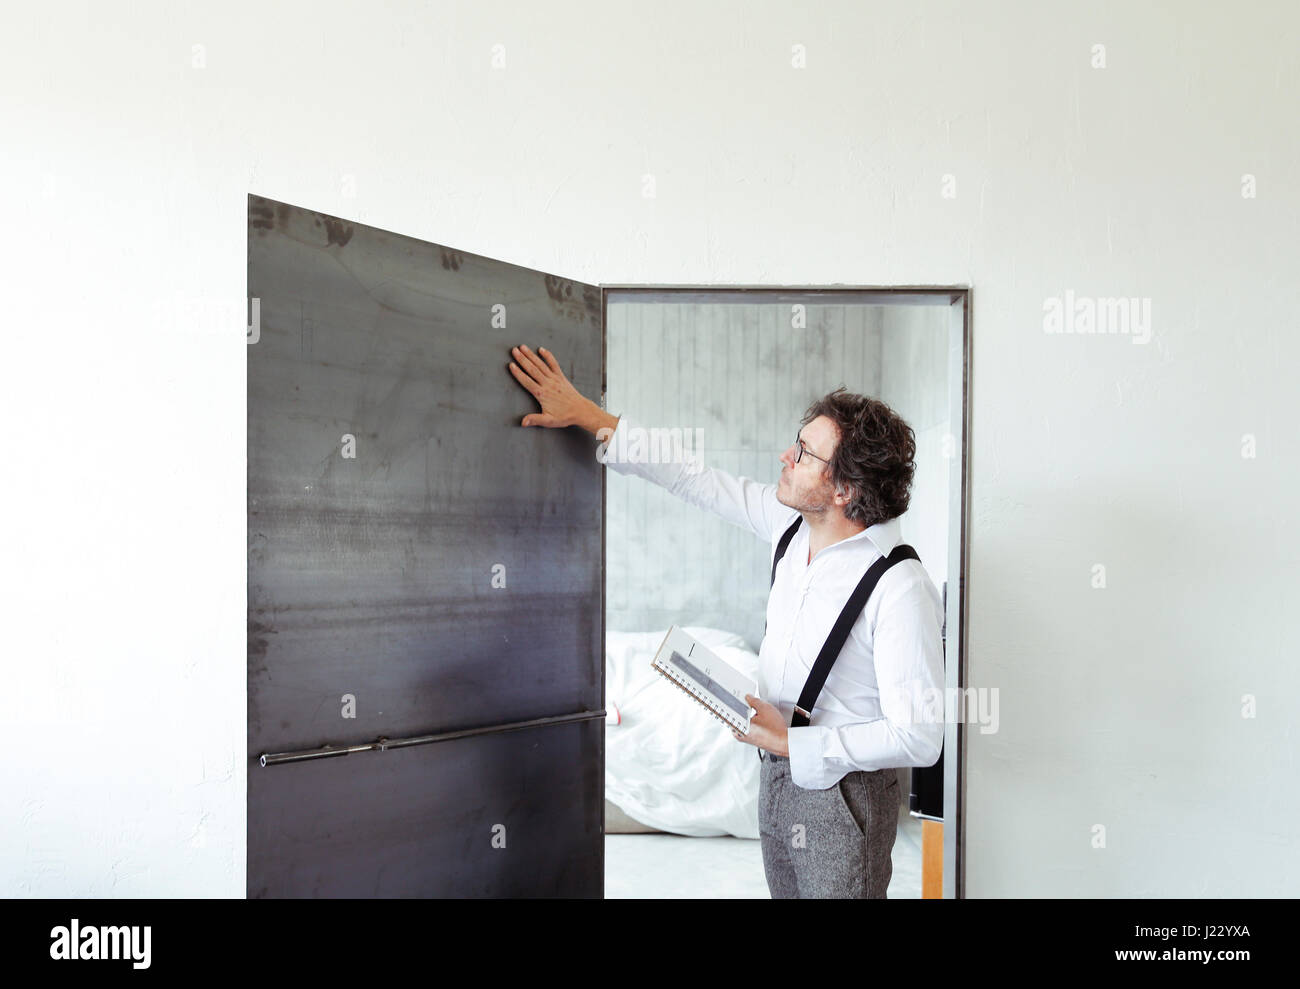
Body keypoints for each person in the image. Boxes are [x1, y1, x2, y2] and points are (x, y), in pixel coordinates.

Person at [507, 343, 944, 898]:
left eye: (805, 453)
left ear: (845, 489)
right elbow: (693, 478)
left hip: (845, 796)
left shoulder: (899, 585)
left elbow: (920, 736)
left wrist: (800, 744)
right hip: (776, 778)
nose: (786, 456)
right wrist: (589, 415)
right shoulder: (790, 526)